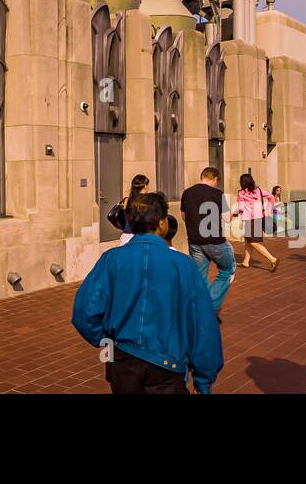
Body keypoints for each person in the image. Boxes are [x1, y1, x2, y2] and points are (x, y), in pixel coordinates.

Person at [72, 193, 224, 394]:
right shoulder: (182, 264)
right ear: (162, 224)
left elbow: (84, 312)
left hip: (124, 361)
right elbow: (202, 325)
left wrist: (106, 341)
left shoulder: (112, 259)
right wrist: (204, 379)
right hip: (167, 364)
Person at [180, 167, 236, 316]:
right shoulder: (217, 193)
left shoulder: (187, 192)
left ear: (202, 176)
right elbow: (226, 218)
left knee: (201, 275)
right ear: (215, 179)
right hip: (215, 241)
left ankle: (201, 305)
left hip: (194, 240)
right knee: (228, 269)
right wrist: (233, 215)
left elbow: (184, 216)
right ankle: (210, 305)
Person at [233, 175, 280, 272]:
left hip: (250, 220)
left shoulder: (242, 193)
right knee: (248, 239)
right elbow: (271, 197)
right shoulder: (259, 190)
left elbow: (241, 208)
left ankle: (272, 259)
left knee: (252, 241)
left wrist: (234, 214)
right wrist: (267, 210)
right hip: (259, 218)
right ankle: (246, 262)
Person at [115, 174, 150, 246]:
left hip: (125, 236)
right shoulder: (147, 201)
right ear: (145, 186)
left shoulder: (126, 200)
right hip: (140, 237)